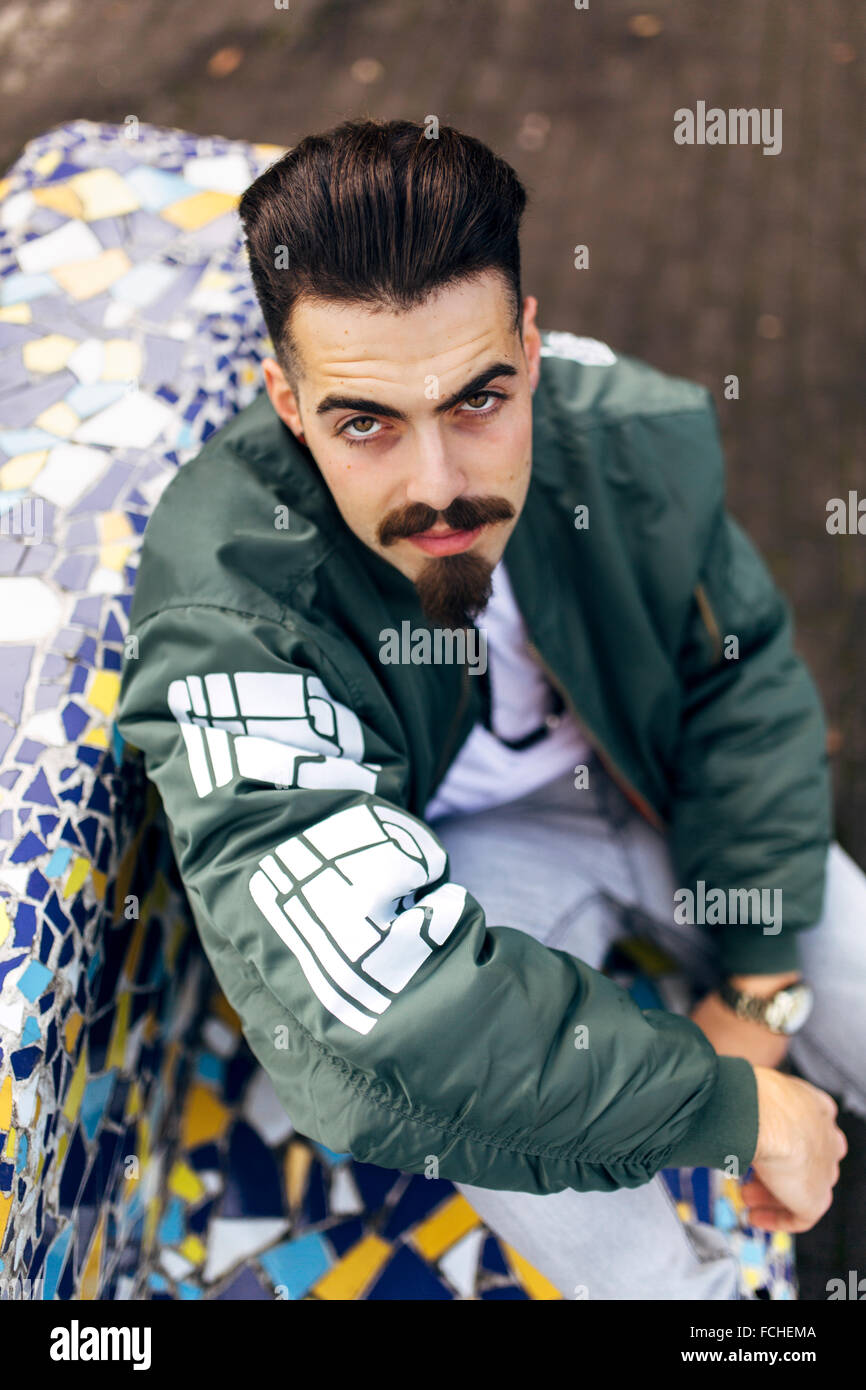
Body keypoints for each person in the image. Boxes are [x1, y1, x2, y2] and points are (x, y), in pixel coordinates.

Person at [115, 117, 861, 1300]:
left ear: (529, 344)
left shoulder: (629, 434)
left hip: (647, 791)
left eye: (477, 400)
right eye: (365, 421)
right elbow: (376, 1002)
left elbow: (742, 686)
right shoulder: (229, 596)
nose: (437, 486)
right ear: (289, 402)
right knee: (542, 1161)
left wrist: (760, 975)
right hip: (469, 858)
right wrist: (720, 1103)